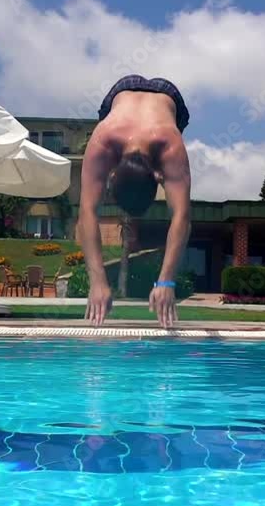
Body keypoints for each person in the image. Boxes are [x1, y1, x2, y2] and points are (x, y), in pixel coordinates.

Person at [77, 75, 192, 328]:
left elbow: (87, 211)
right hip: (135, 98)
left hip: (158, 99)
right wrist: (97, 281)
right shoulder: (109, 138)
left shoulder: (166, 142)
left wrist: (166, 282)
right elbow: (181, 214)